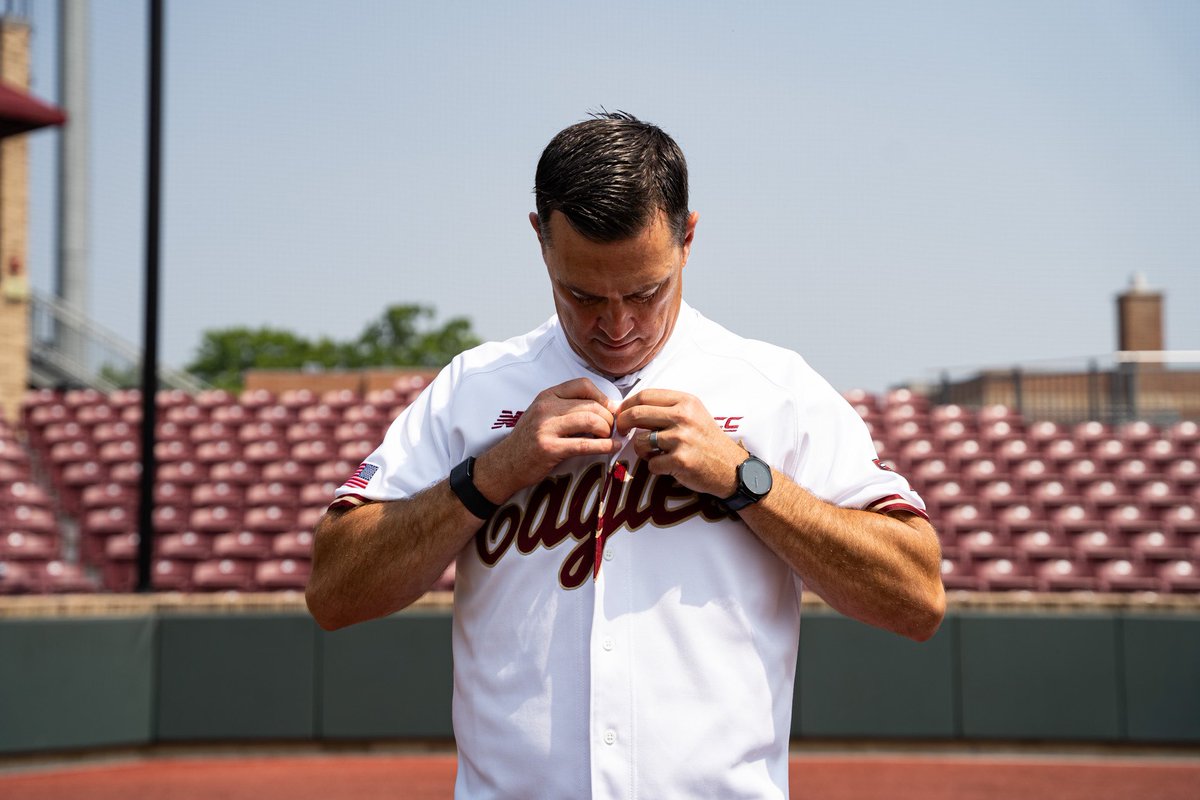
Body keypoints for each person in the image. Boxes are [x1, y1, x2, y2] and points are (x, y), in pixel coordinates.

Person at [306, 111, 945, 799]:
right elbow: (335, 592)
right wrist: (492, 474)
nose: (616, 325)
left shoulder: (773, 387)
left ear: (688, 238)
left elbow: (916, 597)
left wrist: (746, 479)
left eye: (645, 291)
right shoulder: (475, 388)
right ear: (540, 240)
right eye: (582, 294)